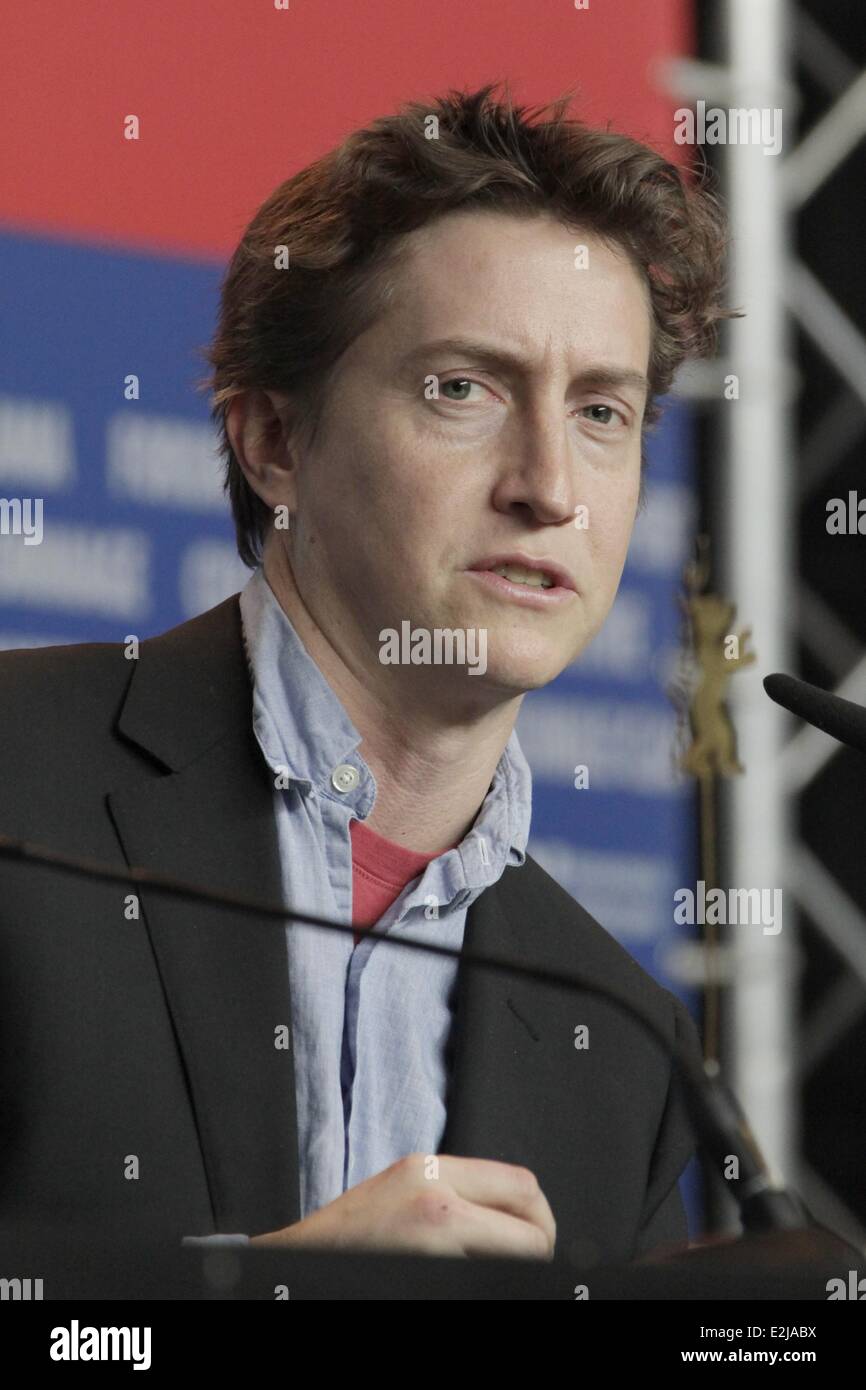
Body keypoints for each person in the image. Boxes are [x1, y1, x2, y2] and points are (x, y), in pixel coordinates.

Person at [0, 84, 732, 1269]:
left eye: (603, 410)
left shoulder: (620, 1043)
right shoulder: (18, 787)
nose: (548, 484)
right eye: (462, 388)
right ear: (273, 439)